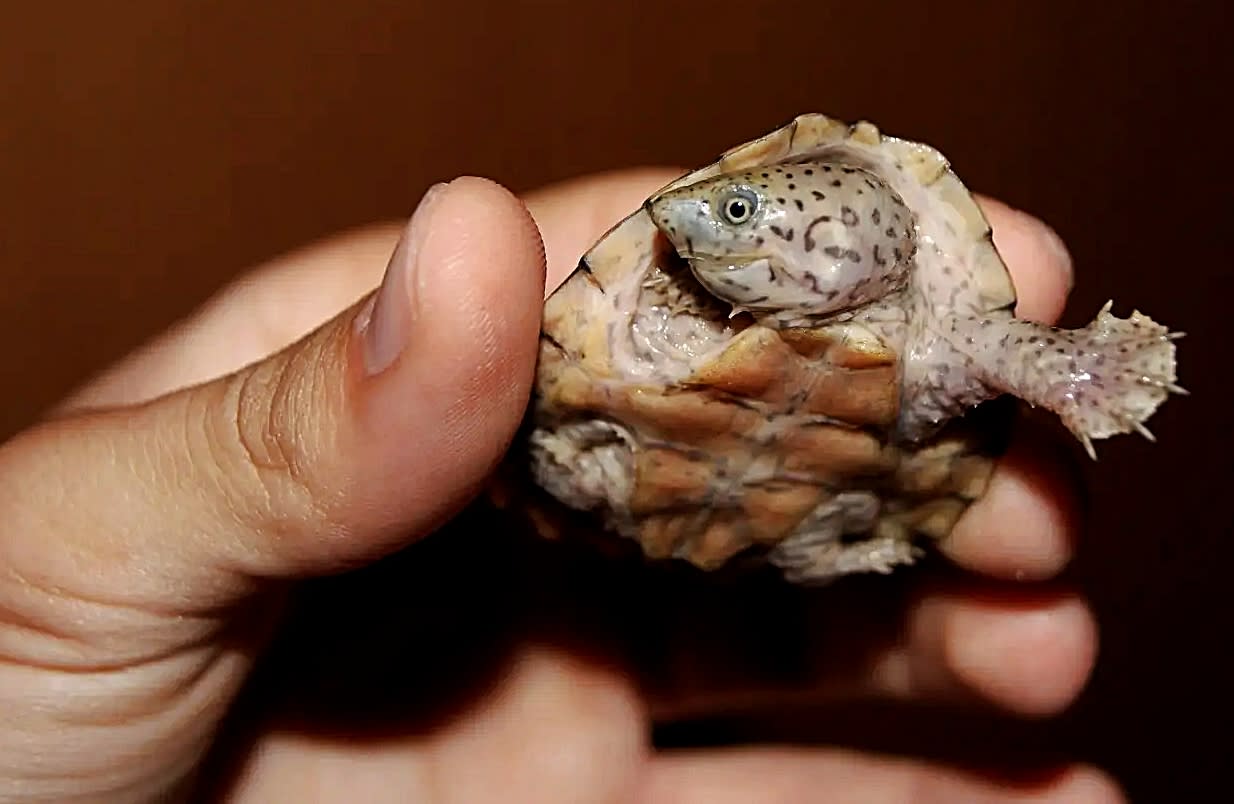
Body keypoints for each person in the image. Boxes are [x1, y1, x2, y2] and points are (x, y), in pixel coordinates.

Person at [0, 170, 1123, 802]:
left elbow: (988, 345)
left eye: (739, 216)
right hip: (622, 479)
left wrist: (1075, 370)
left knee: (985, 366)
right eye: (713, 217)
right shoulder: (664, 289)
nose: (696, 231)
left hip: (826, 508)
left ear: (859, 223)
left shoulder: (927, 300)